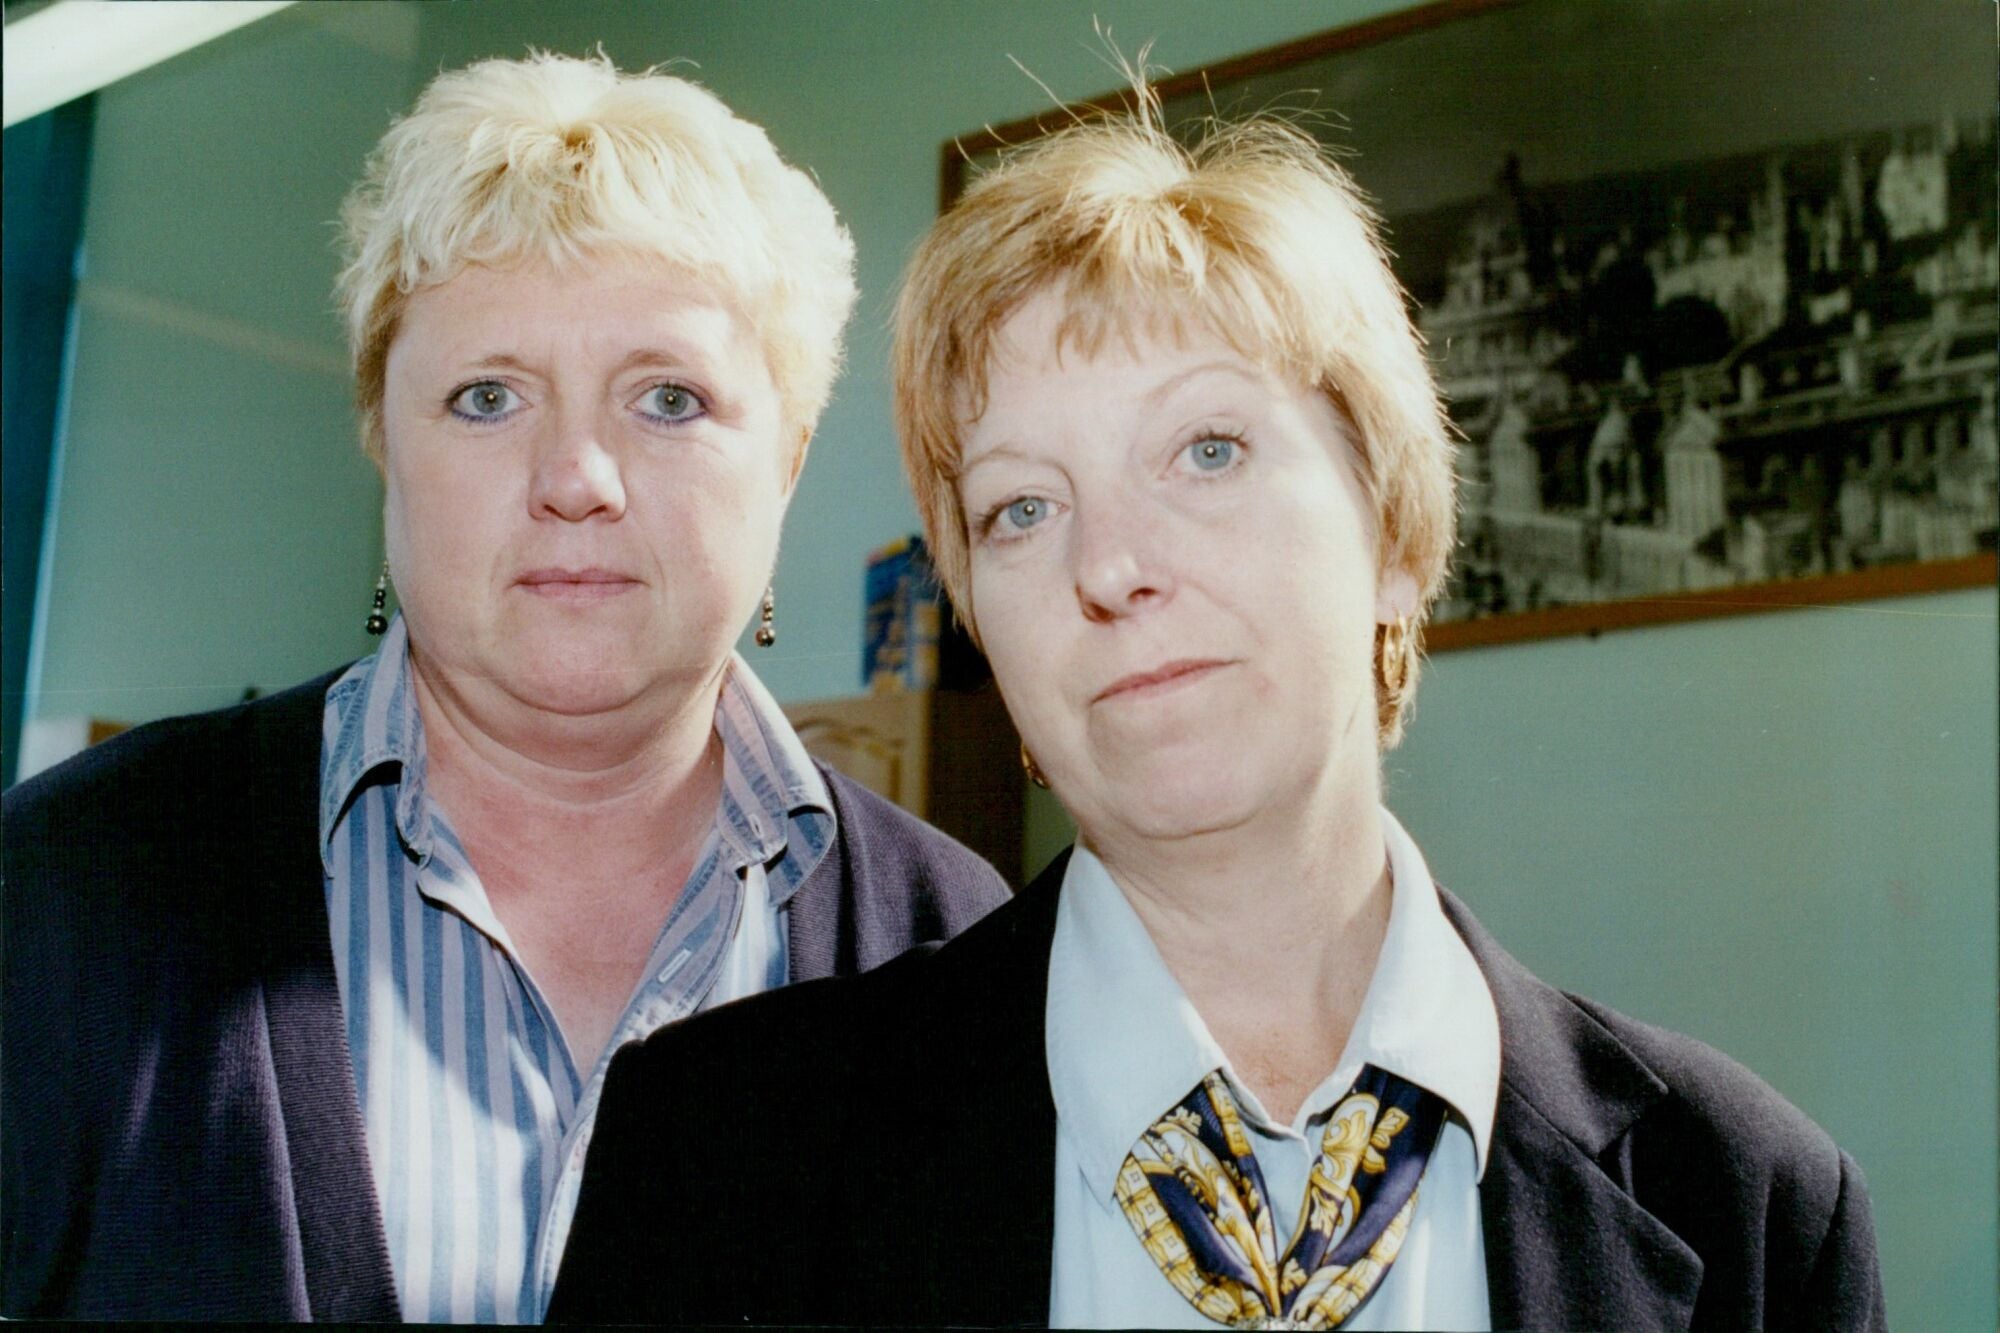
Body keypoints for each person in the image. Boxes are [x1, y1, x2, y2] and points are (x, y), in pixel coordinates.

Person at [549, 96, 1887, 1329]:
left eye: (1209, 450)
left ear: (1397, 534)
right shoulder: (720, 1148)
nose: (1110, 564)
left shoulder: (1759, 1208)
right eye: (1024, 506)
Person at [1, 52, 1008, 1323]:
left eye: (669, 397)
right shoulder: (63, 886)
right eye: (486, 397)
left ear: (791, 460)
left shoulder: (954, 947)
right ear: (381, 437)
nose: (577, 473)